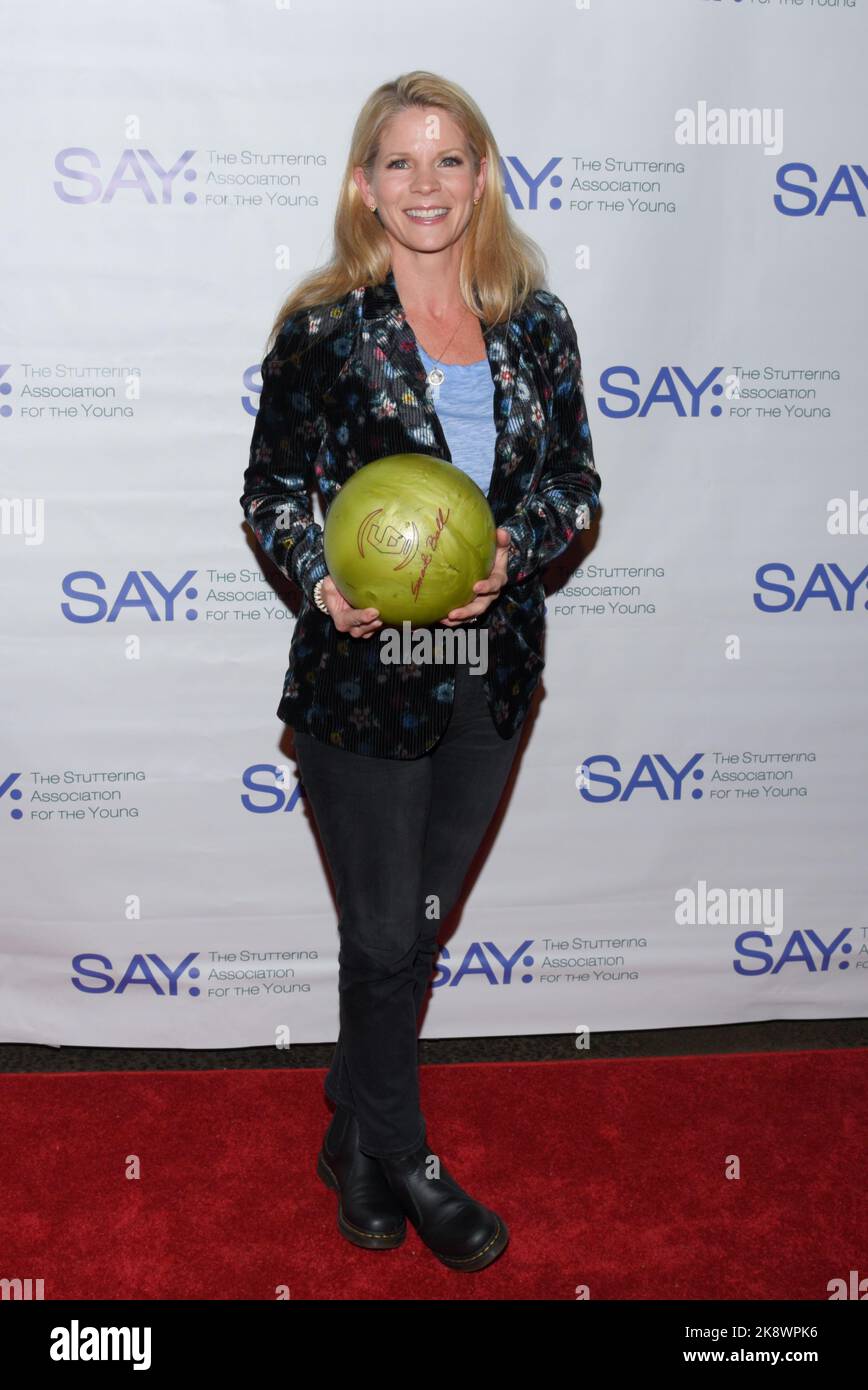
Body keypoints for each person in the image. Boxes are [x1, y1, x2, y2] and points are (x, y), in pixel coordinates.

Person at [240, 70, 601, 1273]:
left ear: (483, 176)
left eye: (450, 159)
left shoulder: (537, 325)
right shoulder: (322, 333)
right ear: (363, 185)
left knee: (412, 933)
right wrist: (319, 576)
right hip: (365, 674)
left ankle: (351, 1127)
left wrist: (514, 546)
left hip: (489, 675)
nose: (426, 183)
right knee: (387, 928)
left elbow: (574, 490)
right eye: (400, 161)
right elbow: (273, 493)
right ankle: (407, 1155)